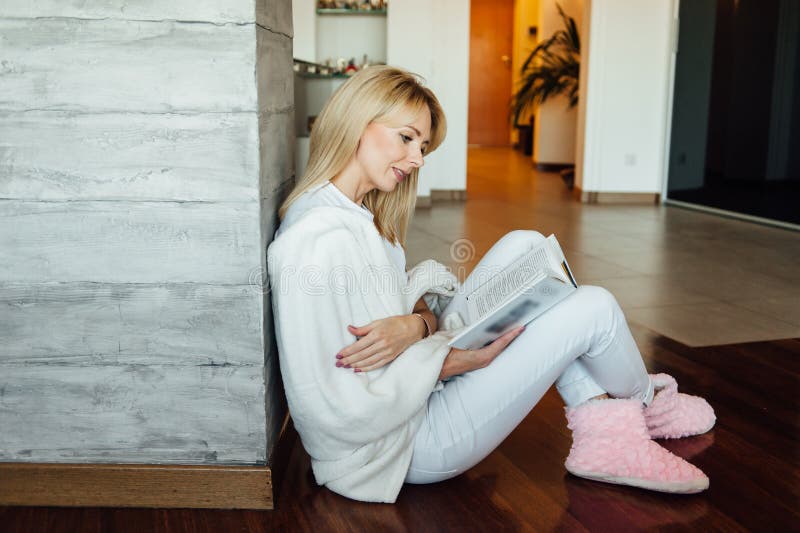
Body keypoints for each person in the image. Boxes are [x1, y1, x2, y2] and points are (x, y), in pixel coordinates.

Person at [267, 65, 715, 503]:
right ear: (356, 123)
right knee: (593, 306)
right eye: (406, 138)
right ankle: (645, 403)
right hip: (395, 446)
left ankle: (606, 425)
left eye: (422, 145)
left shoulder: (356, 212)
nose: (418, 159)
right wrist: (457, 360)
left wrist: (418, 326)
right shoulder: (317, 242)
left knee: (526, 245)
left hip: (414, 392)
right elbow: (332, 408)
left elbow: (398, 307)